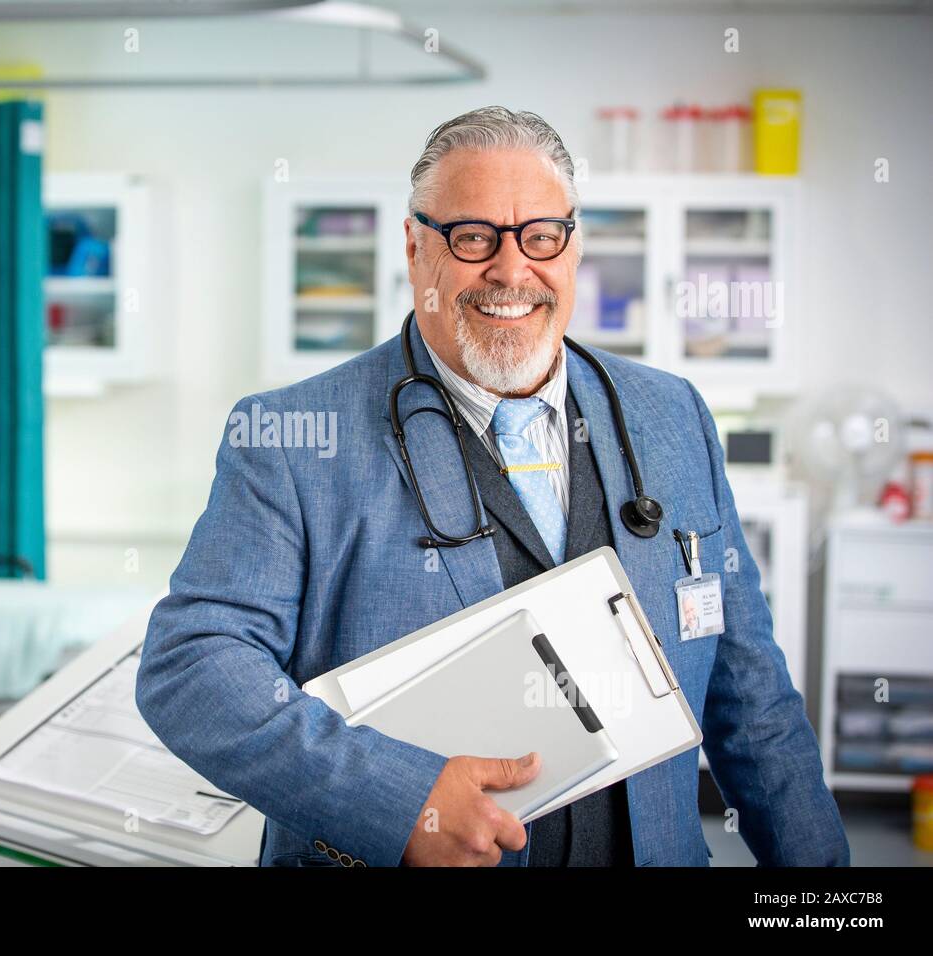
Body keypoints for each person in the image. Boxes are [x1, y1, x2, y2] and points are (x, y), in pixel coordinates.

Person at [136, 106, 848, 867]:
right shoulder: (294, 437)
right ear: (415, 247)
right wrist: (397, 798)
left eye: (541, 236)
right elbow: (194, 664)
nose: (512, 271)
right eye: (473, 237)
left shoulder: (670, 418)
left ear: (573, 246)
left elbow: (753, 701)